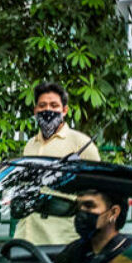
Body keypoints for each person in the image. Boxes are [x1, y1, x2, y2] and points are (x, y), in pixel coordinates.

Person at [17, 82, 100, 246]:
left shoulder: (81, 144)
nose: (48, 110)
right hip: (25, 235)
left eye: (54, 105)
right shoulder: (30, 144)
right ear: (35, 110)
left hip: (61, 239)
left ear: (64, 110)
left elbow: (96, 192)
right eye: (42, 105)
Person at [52, 189, 132, 263]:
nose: (81, 213)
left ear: (114, 212)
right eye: (78, 207)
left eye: (89, 206)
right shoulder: (75, 249)